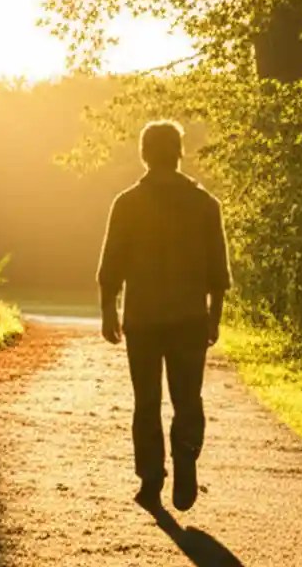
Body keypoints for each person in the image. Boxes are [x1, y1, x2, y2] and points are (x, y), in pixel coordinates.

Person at [97, 120, 231, 511]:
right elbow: (217, 269)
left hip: (143, 319)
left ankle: (151, 478)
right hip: (190, 317)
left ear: (144, 154)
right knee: (188, 398)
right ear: (178, 153)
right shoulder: (205, 204)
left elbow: (112, 263)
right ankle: (186, 454)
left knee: (147, 400)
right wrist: (215, 316)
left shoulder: (127, 203)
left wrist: (109, 309)